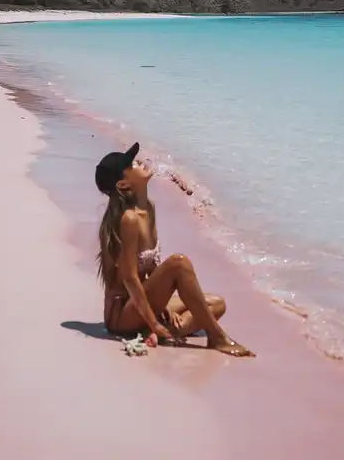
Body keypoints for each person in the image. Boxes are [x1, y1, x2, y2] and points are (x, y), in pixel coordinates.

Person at [95, 142, 254, 357]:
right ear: (123, 184)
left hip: (142, 302)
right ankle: (217, 338)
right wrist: (153, 320)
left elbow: (151, 269)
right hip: (123, 314)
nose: (139, 163)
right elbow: (130, 278)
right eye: (132, 165)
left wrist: (163, 307)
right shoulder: (129, 220)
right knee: (179, 263)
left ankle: (161, 333)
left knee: (217, 305)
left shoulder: (148, 208)